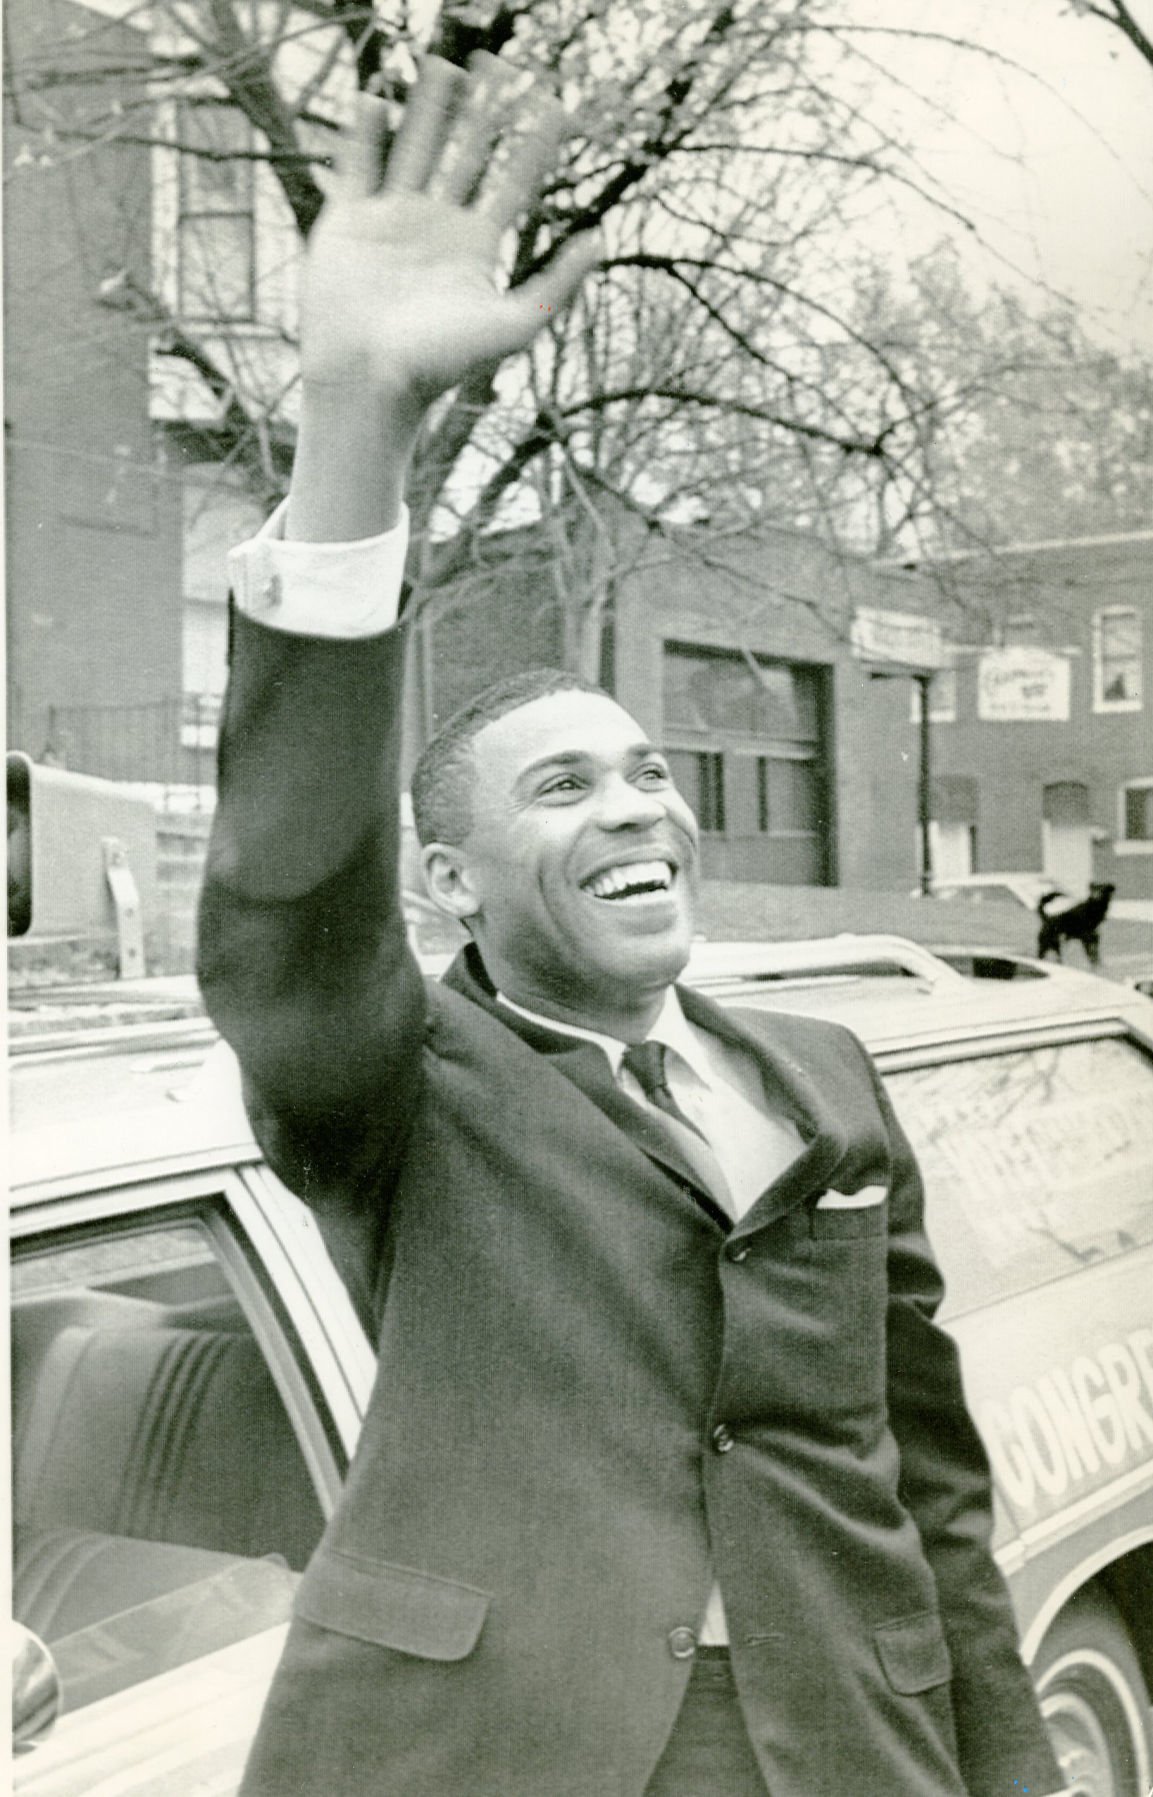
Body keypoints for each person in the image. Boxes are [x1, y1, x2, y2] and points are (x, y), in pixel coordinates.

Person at [198, 51, 1069, 1797]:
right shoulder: (396, 1080)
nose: (638, 809)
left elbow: (925, 1473)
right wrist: (356, 418)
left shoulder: (821, 1074)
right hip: (509, 1750)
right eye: (561, 790)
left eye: (646, 772)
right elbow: (290, 899)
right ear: (448, 881)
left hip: (846, 1741)